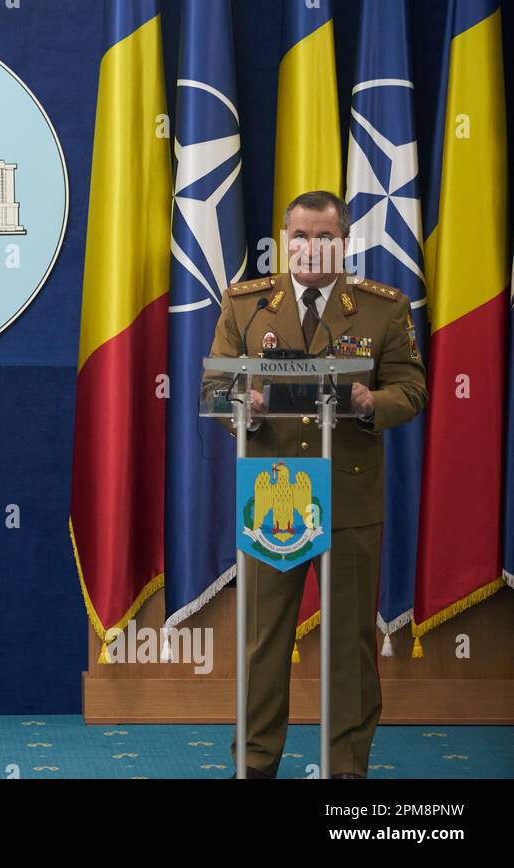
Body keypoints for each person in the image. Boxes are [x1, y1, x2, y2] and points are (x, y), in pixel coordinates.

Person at [204, 190, 427, 778]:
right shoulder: (248, 305)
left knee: (350, 647)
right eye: (299, 236)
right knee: (261, 641)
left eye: (324, 236)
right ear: (284, 240)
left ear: (344, 243)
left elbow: (411, 391)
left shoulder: (382, 308)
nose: (310, 248)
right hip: (274, 494)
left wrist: (367, 401)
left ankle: (345, 769)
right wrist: (241, 408)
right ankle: (254, 764)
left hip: (348, 495)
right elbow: (213, 388)